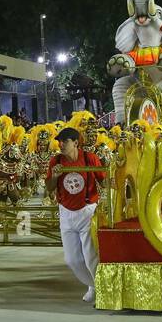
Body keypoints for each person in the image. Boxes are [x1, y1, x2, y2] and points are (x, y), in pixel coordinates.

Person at [44, 126, 105, 304]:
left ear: (76, 143)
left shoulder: (90, 158)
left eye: (65, 141)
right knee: (72, 259)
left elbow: (104, 179)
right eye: (59, 141)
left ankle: (101, 290)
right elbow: (49, 188)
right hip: (66, 213)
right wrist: (54, 177)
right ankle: (93, 285)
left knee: (91, 256)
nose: (61, 144)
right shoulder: (55, 161)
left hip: (87, 211)